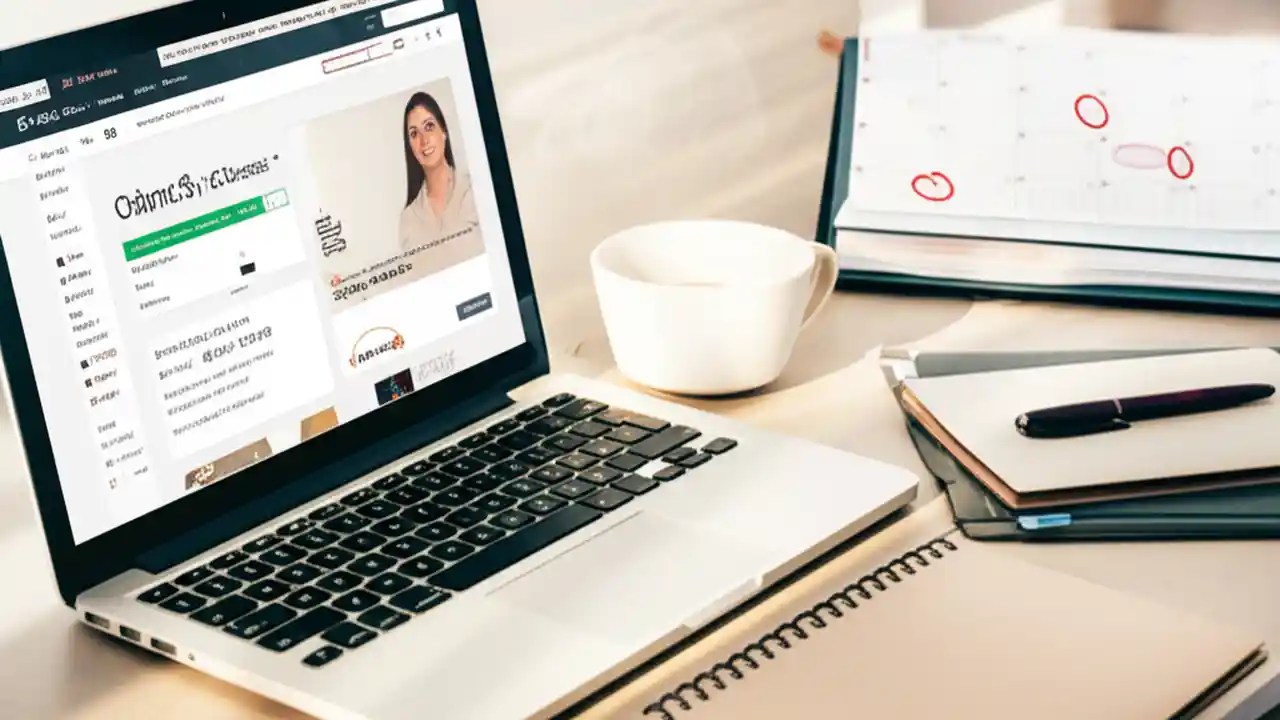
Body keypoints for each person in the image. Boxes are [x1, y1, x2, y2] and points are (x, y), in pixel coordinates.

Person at [398, 91, 481, 251]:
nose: (424, 140)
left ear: (444, 132)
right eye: (414, 134)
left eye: (429, 126)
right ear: (410, 147)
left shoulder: (474, 189)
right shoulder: (408, 220)